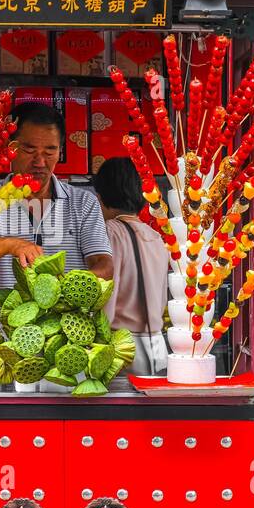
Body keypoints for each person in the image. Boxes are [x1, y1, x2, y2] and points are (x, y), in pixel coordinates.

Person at [0, 101, 113, 319]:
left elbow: (104, 264)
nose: (40, 161)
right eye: (29, 149)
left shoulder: (83, 203)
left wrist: (68, 287)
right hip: (3, 342)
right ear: (10, 149)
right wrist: (10, 244)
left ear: (60, 151)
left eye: (50, 151)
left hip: (67, 341)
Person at [92, 155, 169, 375]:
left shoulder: (110, 232)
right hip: (156, 346)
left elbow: (107, 295)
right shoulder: (155, 237)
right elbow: (162, 298)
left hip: (121, 350)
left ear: (100, 196)